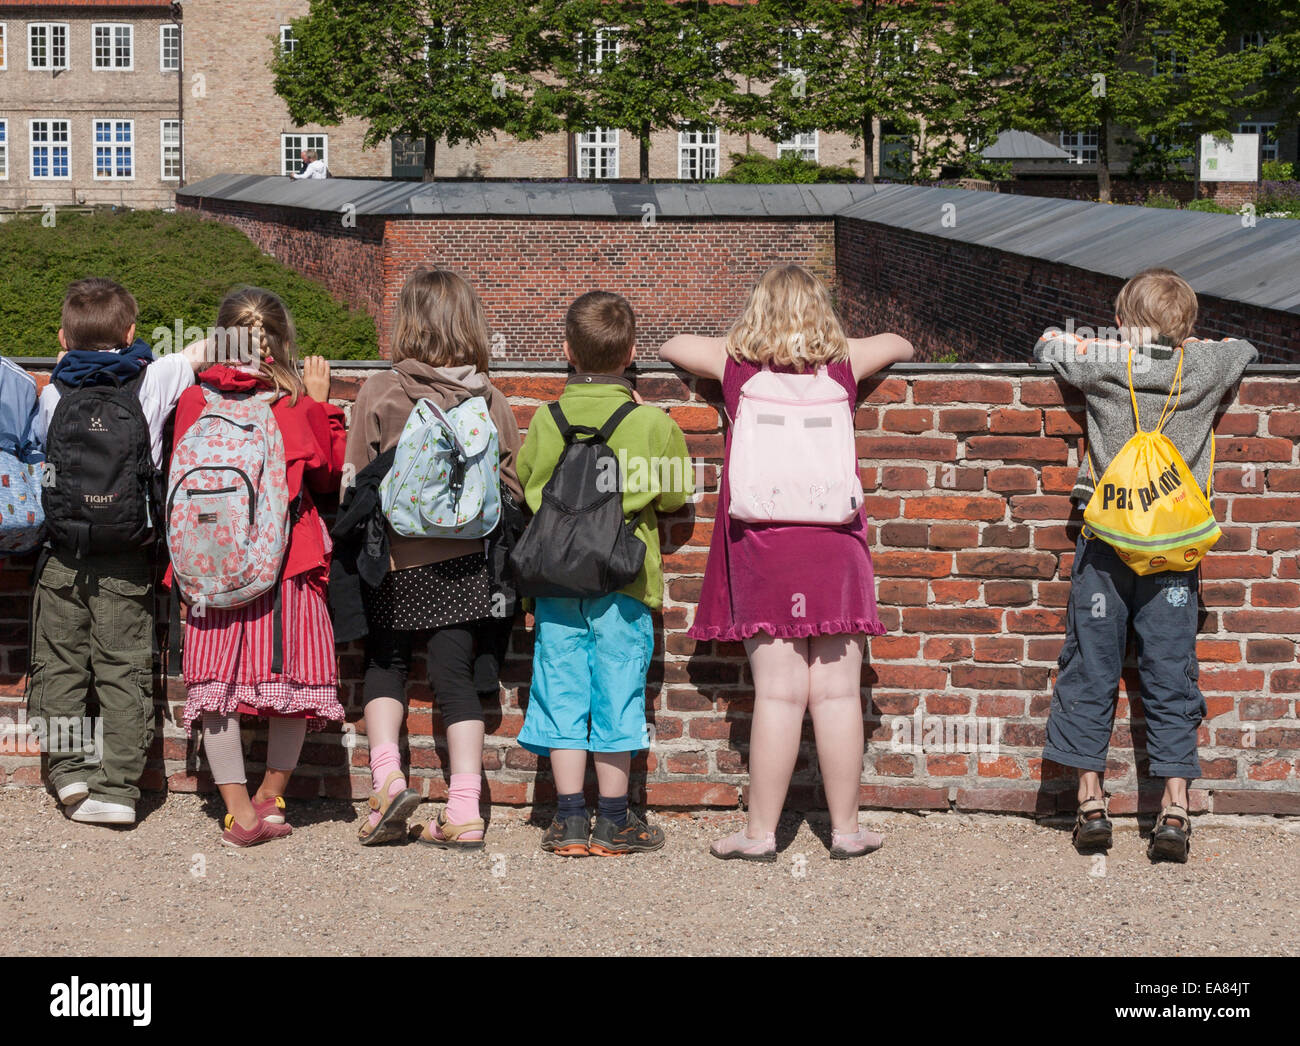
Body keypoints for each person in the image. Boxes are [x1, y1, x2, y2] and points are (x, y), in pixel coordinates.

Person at [659, 263, 913, 861]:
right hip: (836, 546)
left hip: (763, 543)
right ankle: (847, 832)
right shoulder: (845, 364)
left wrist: (740, 343)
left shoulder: (736, 367)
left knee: (777, 696)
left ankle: (758, 835)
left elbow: (668, 344)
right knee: (837, 695)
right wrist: (837, 344)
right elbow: (903, 343)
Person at [1034, 268, 1258, 862]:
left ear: (1123, 322)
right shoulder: (1206, 370)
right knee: (1171, 668)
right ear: (1186, 324)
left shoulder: (1105, 365)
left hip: (1107, 541)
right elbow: (1247, 349)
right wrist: (1195, 345)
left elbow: (1047, 345)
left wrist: (1101, 343)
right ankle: (1175, 809)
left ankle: (1089, 801)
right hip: (1174, 548)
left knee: (1091, 665)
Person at [343, 268, 523, 847]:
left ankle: (389, 782)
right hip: (468, 562)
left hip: (393, 560)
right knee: (455, 679)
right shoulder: (489, 397)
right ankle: (466, 808)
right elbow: (512, 489)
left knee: (386, 666)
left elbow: (354, 483)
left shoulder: (381, 389)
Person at [516, 290, 691, 857]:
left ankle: (568, 820)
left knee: (560, 687)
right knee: (619, 690)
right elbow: (675, 496)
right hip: (624, 579)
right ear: (632, 352)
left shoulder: (546, 418)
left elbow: (529, 487)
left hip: (556, 578)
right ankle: (615, 822)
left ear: (567, 351)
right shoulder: (650, 423)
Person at [172, 287, 347, 847]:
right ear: (285, 342)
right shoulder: (293, 404)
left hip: (209, 567)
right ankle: (272, 797)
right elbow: (330, 476)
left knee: (215, 683)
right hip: (288, 564)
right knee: (294, 680)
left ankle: (237, 809)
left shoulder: (194, 401)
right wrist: (319, 404)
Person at [28, 278, 206, 826]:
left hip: (63, 554)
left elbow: (40, 454)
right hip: (128, 555)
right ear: (130, 333)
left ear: (63, 337)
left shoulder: (55, 391)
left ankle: (70, 773)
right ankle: (119, 790)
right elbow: (202, 351)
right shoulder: (153, 377)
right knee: (122, 670)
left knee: (60, 669)